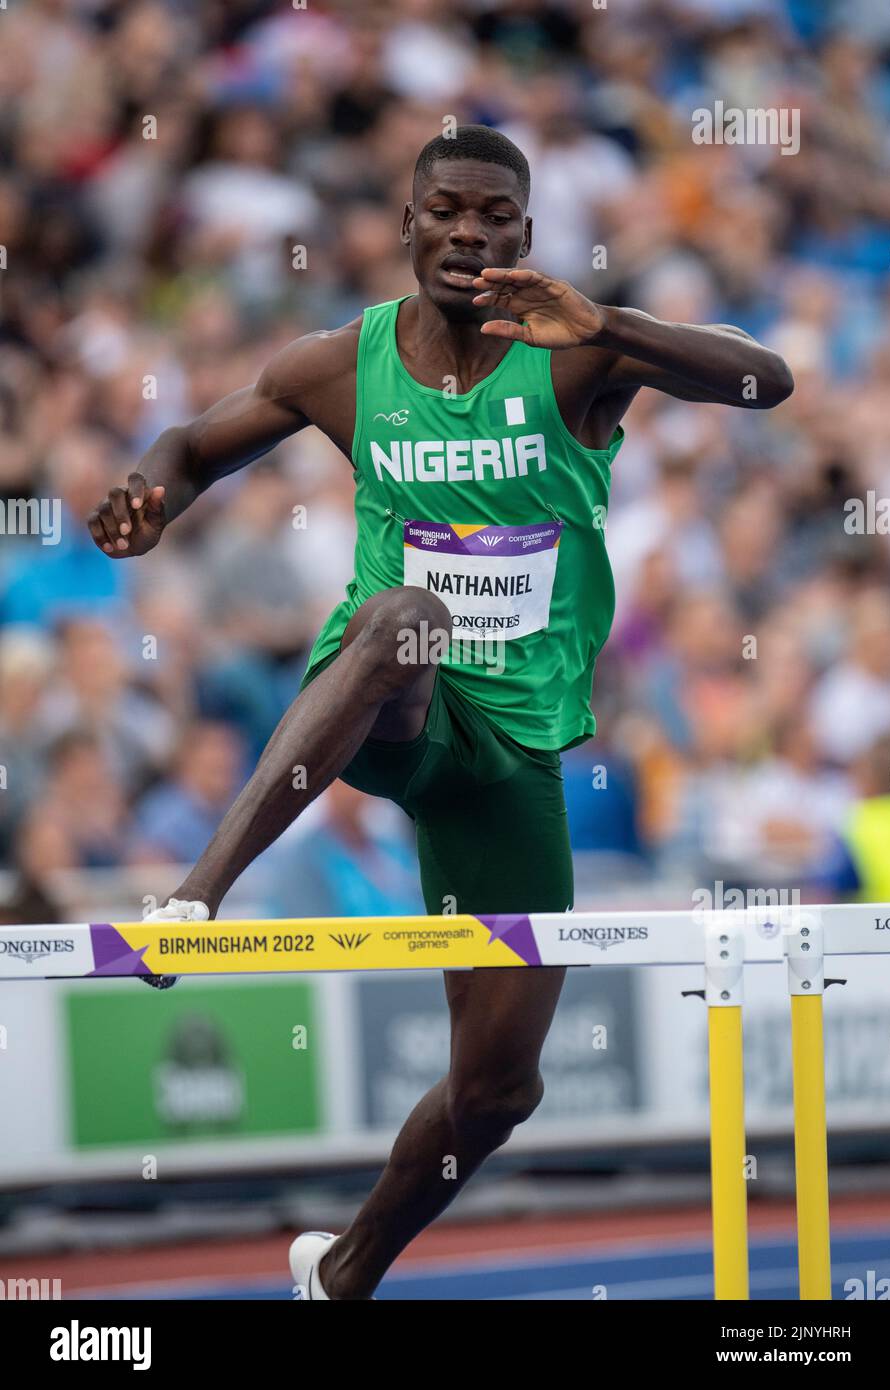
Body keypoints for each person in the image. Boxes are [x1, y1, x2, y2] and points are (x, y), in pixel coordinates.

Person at [87, 125, 793, 1300]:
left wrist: (608, 325)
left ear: (526, 232)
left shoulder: (573, 354)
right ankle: (194, 895)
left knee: (500, 1090)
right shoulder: (340, 364)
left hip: (512, 746)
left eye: (495, 216)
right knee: (405, 614)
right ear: (409, 223)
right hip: (388, 706)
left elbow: (769, 380)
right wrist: (151, 496)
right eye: (447, 210)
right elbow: (198, 443)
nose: (469, 233)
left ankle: (348, 1267)